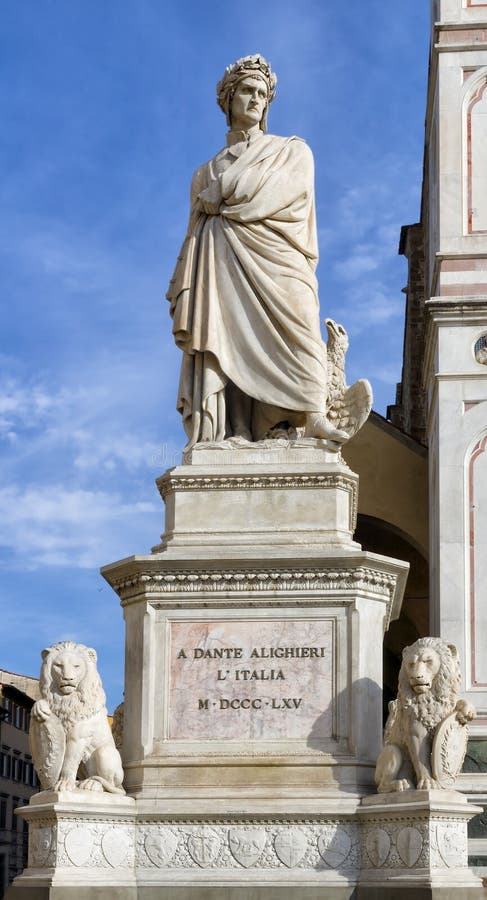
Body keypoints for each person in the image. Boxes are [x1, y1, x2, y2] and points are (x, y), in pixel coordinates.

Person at [167, 54, 348, 447]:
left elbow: (287, 193)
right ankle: (236, 428)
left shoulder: (292, 151)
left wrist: (225, 194)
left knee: (302, 324)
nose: (255, 100)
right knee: (226, 334)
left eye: (262, 95)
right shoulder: (204, 171)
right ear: (228, 100)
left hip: (281, 258)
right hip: (222, 260)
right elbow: (195, 231)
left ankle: (312, 413)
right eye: (247, 91)